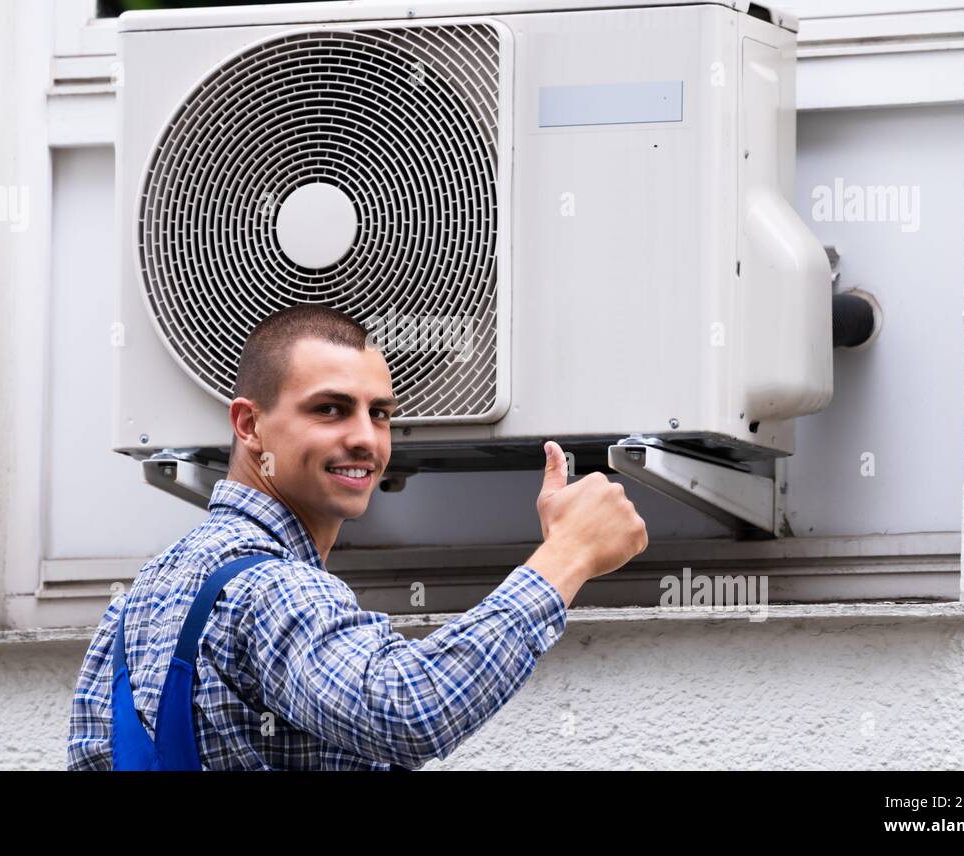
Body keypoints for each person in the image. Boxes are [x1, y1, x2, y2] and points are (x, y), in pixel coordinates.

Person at [67, 303, 647, 770]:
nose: (367, 439)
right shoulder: (269, 587)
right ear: (249, 424)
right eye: (330, 410)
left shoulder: (136, 606)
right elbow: (410, 711)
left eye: (380, 414)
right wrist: (566, 555)